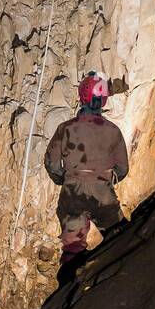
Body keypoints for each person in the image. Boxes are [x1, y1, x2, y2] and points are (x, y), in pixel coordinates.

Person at [44, 71, 129, 282]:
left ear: (82, 96)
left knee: (73, 250)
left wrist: (65, 179)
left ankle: (67, 290)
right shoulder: (113, 131)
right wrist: (106, 179)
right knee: (120, 238)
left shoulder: (65, 129)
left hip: (72, 194)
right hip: (102, 195)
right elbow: (122, 169)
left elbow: (51, 163)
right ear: (104, 100)